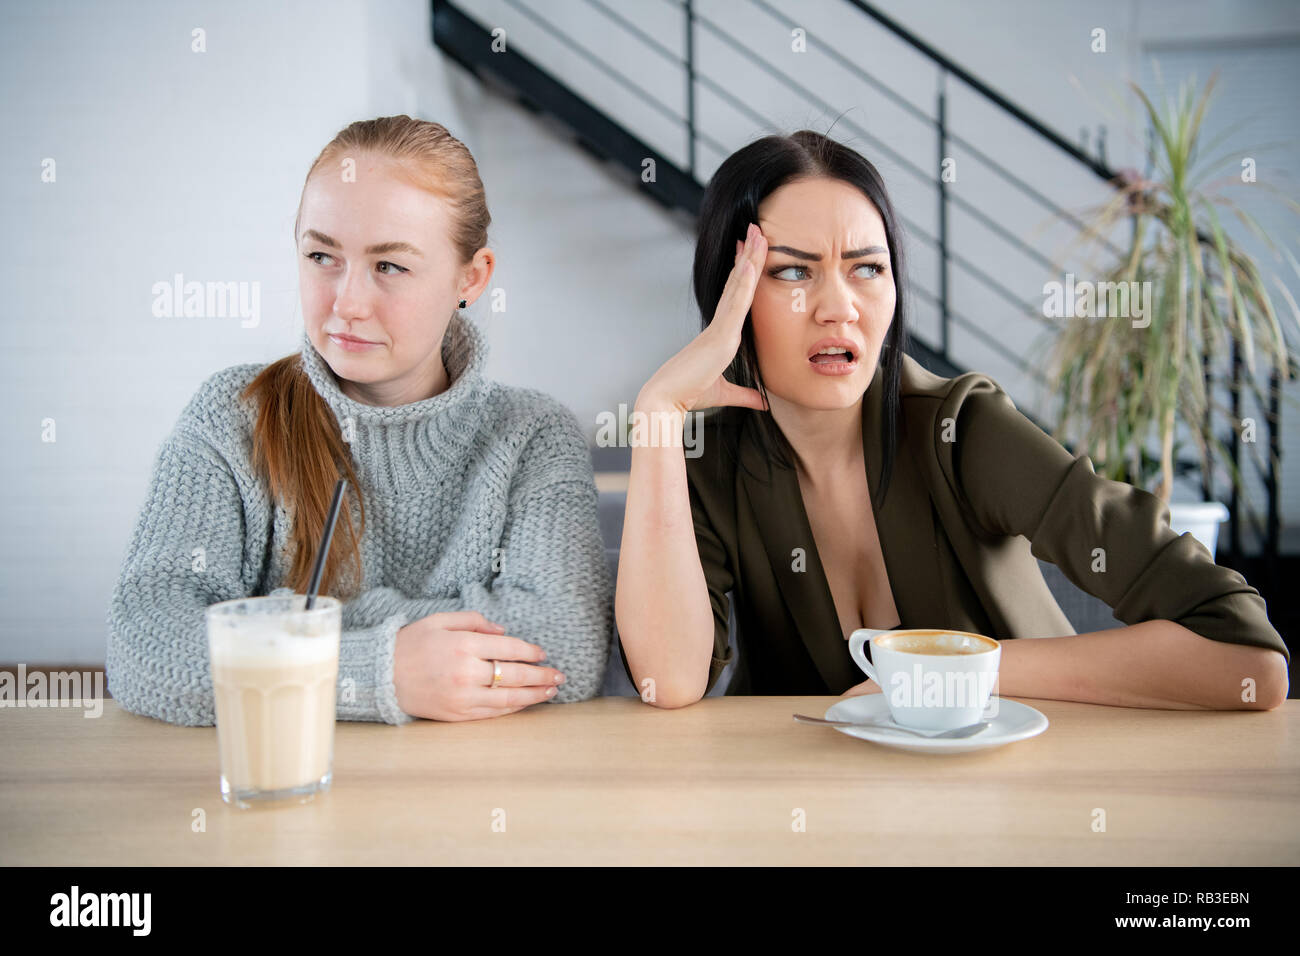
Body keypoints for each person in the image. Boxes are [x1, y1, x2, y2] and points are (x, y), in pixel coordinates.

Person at [615, 130, 1289, 711]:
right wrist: (656, 413)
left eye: (867, 269)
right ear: (727, 295)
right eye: (794, 273)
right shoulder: (703, 461)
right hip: (811, 817)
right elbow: (663, 683)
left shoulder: (961, 429)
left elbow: (1246, 659)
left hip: (1015, 805)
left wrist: (953, 674)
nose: (840, 307)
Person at [108, 115, 611, 726]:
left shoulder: (532, 435)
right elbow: (145, 643)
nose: (346, 302)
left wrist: (278, 623)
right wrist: (380, 669)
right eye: (322, 255)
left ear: (471, 278)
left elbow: (565, 649)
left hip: (469, 800)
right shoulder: (232, 417)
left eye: (389, 266)